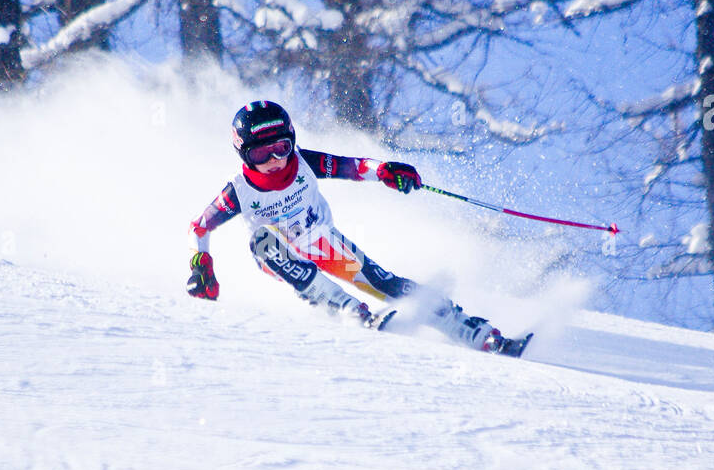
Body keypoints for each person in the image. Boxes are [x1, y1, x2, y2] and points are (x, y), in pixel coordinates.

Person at [185, 100, 510, 352]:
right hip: (276, 252)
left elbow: (354, 167)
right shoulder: (239, 191)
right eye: (261, 153)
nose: (275, 160)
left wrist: (385, 171)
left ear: (291, 141)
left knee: (383, 282)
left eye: (281, 147)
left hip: (318, 239)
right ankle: (351, 312)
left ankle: (468, 329)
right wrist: (202, 266)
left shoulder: (303, 163)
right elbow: (199, 227)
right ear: (244, 154)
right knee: (263, 241)